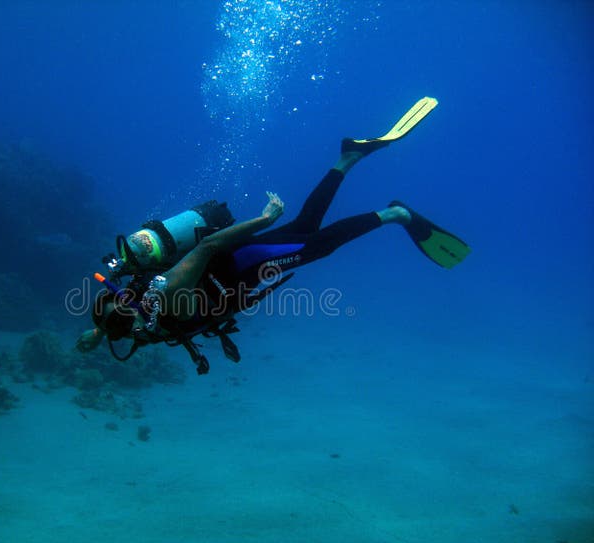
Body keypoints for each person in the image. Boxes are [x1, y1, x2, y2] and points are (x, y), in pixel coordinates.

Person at [76, 97, 470, 373]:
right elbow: (121, 319)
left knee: (319, 246)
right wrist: (96, 334)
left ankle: (394, 214)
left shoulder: (164, 297)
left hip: (248, 259)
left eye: (128, 318)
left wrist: (263, 219)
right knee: (306, 228)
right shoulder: (143, 320)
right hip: (245, 265)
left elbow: (212, 244)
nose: (136, 322)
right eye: (125, 321)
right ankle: (347, 157)